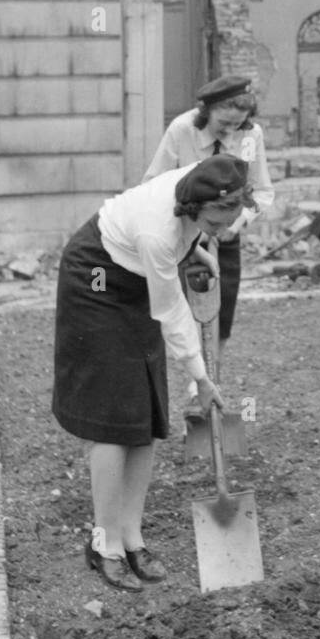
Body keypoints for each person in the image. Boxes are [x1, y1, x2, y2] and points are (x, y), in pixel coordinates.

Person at [52, 154, 251, 591]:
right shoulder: (157, 233)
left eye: (226, 223)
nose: (220, 233)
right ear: (192, 209)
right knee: (112, 417)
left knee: (144, 412)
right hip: (96, 278)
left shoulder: (204, 182)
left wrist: (196, 246)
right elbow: (171, 310)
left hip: (138, 273)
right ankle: (103, 544)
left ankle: (131, 536)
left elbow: (183, 246)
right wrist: (200, 376)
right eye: (214, 225)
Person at [142, 75, 275, 344]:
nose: (229, 130)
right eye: (223, 123)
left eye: (236, 124)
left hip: (226, 233)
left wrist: (236, 224)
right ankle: (195, 376)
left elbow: (261, 190)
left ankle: (212, 378)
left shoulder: (250, 135)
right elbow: (153, 185)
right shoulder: (182, 130)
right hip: (184, 237)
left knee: (222, 313)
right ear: (207, 112)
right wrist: (190, 233)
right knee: (185, 313)